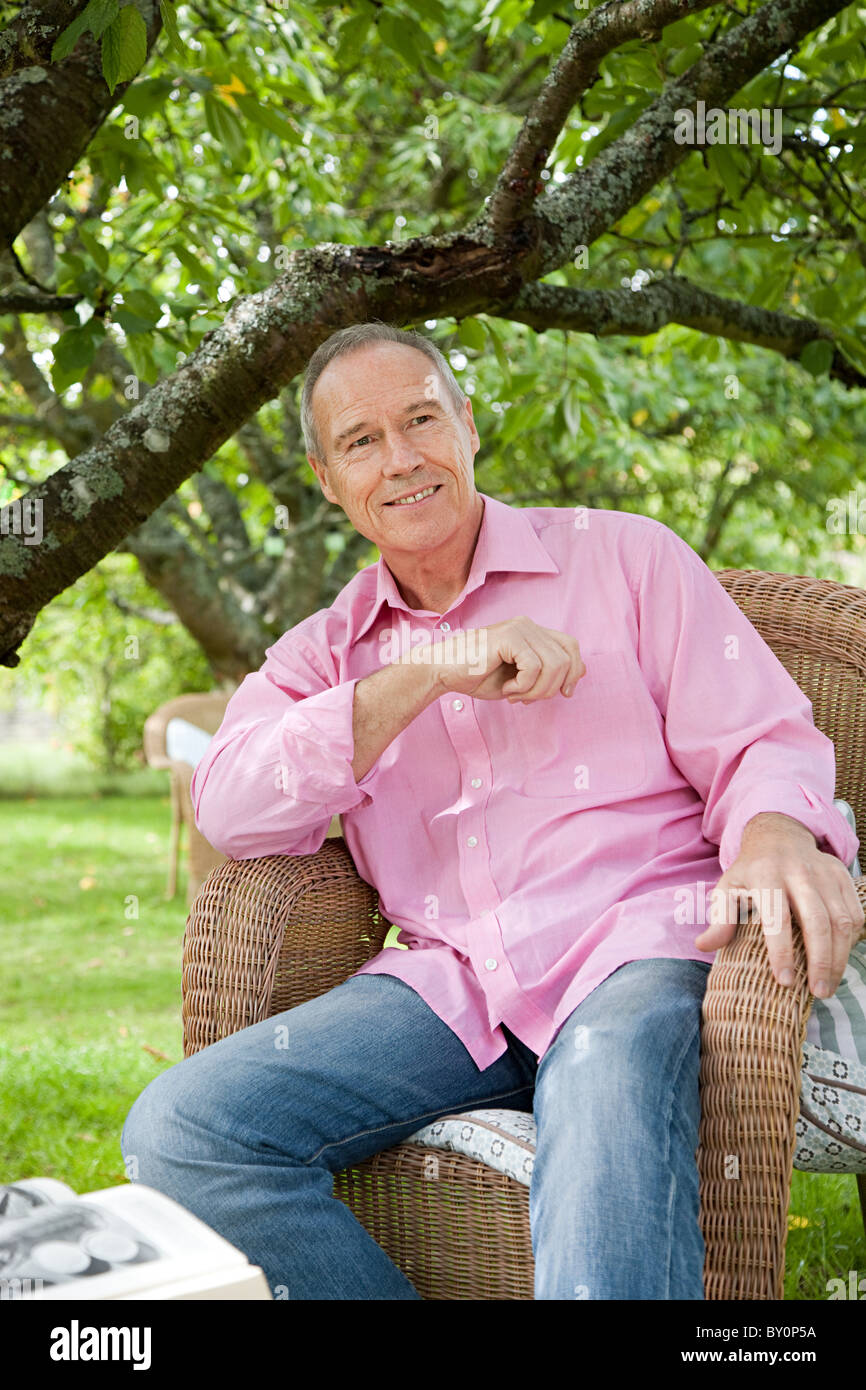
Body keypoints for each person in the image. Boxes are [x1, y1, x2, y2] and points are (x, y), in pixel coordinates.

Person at [121, 321, 863, 1300]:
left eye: (422, 419)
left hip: (632, 951)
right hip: (447, 989)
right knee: (185, 1128)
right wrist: (419, 676)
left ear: (466, 427)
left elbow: (759, 736)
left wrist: (771, 830)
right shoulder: (324, 652)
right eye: (361, 441)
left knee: (600, 1087)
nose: (402, 458)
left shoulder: (626, 559)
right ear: (326, 479)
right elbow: (232, 809)